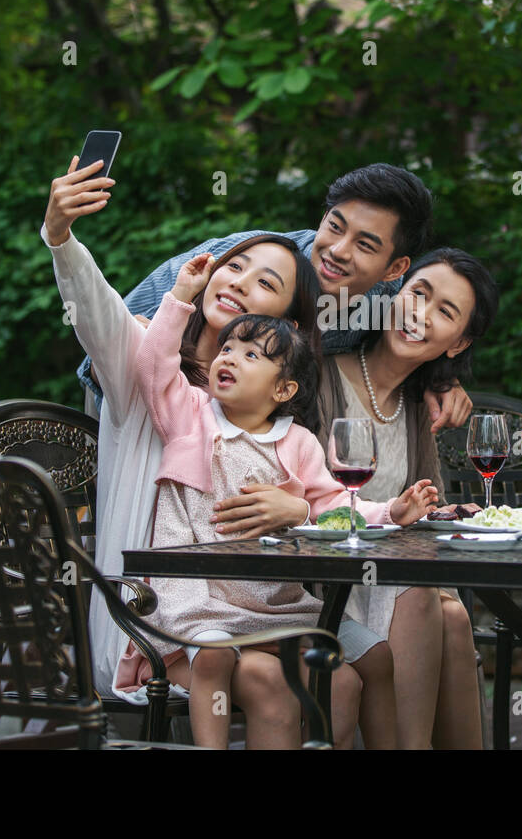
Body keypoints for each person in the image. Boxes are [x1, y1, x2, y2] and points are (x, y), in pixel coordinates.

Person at [41, 157, 379, 745]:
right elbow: (97, 310)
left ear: (285, 330)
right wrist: (61, 237)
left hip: (253, 604)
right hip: (154, 606)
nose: (238, 282)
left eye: (265, 284)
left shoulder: (278, 424)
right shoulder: (149, 363)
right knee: (268, 680)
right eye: (234, 265)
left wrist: (298, 509)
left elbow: (327, 503)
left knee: (342, 678)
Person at [128, 251, 438, 748]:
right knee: (216, 657)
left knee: (374, 657)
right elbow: (150, 368)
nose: (229, 357)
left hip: (279, 608)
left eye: (252, 355)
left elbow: (333, 505)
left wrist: (388, 512)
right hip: (200, 600)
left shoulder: (297, 442)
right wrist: (180, 297)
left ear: (284, 388)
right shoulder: (191, 415)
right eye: (229, 348)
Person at [77, 162, 474, 444]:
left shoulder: (384, 300)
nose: (337, 250)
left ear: (394, 269)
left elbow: (421, 333)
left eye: (365, 245)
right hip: (149, 426)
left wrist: (440, 378)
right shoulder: (230, 260)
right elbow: (103, 353)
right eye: (335, 226)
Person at [312, 248, 499, 749]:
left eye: (445, 312)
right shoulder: (318, 375)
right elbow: (296, 495)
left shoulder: (419, 402)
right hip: (321, 576)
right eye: (419, 293)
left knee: (452, 612)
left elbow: (421, 510)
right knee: (431, 599)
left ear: (457, 343)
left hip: (387, 571)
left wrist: (450, 512)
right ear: (395, 291)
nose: (421, 314)